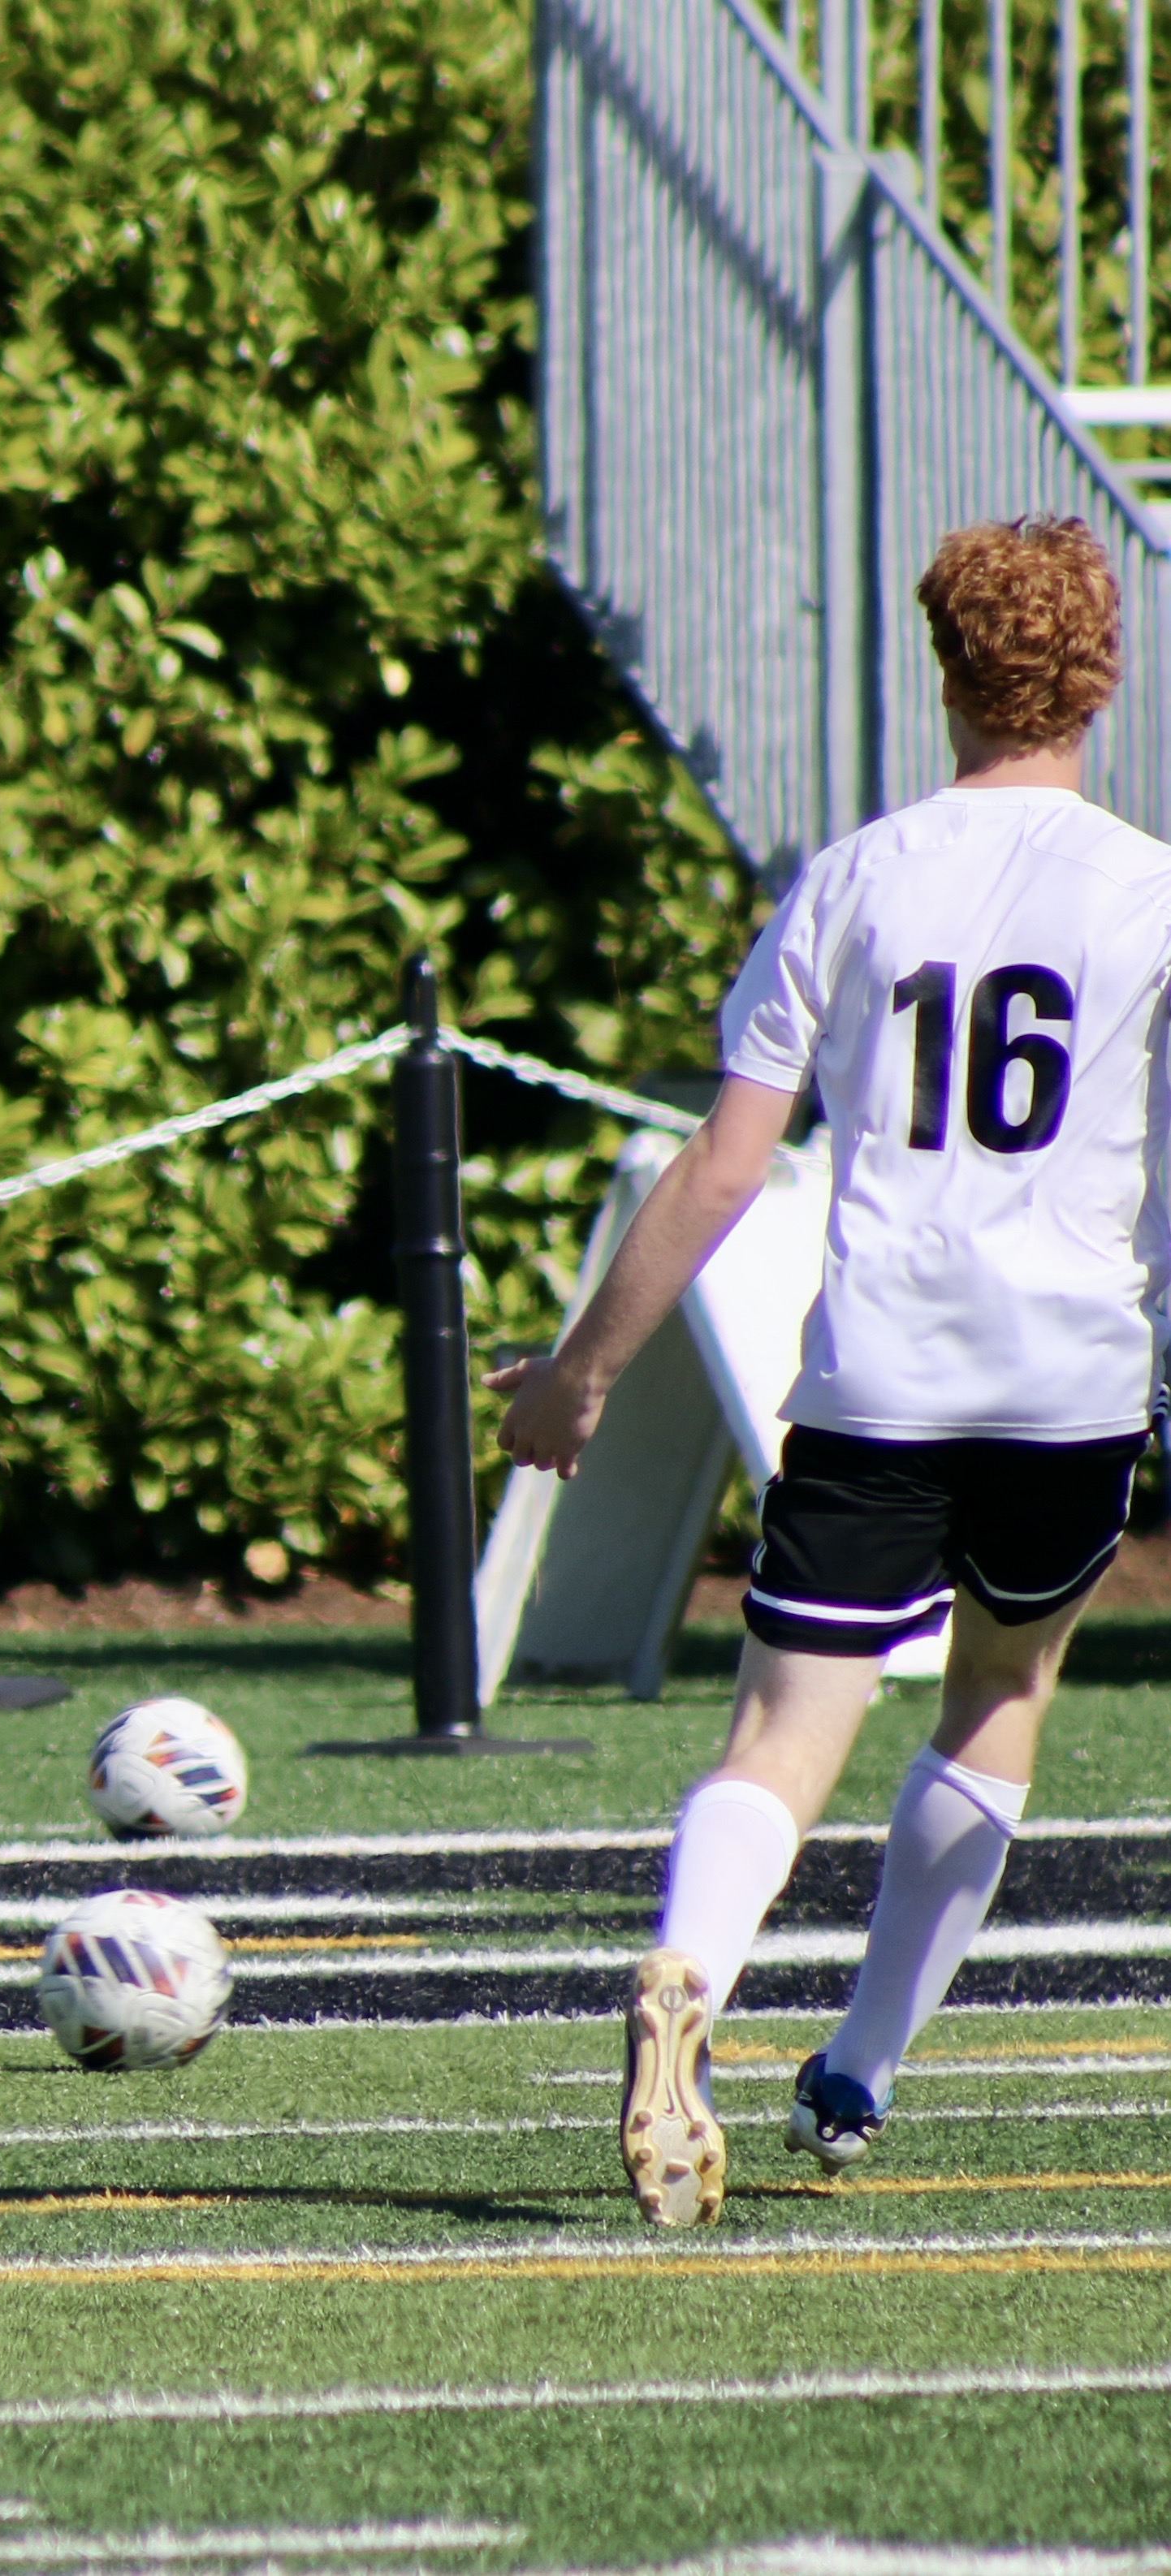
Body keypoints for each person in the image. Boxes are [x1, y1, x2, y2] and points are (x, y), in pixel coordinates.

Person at [491, 516, 1171, 2227]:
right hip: (1063, 1379)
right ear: (1101, 679)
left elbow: (724, 1167)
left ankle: (687, 1972)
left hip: (874, 1376)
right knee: (998, 1694)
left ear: (944, 673)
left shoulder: (855, 876)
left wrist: (579, 1374)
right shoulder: (1148, 890)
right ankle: (858, 2067)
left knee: (782, 1735)